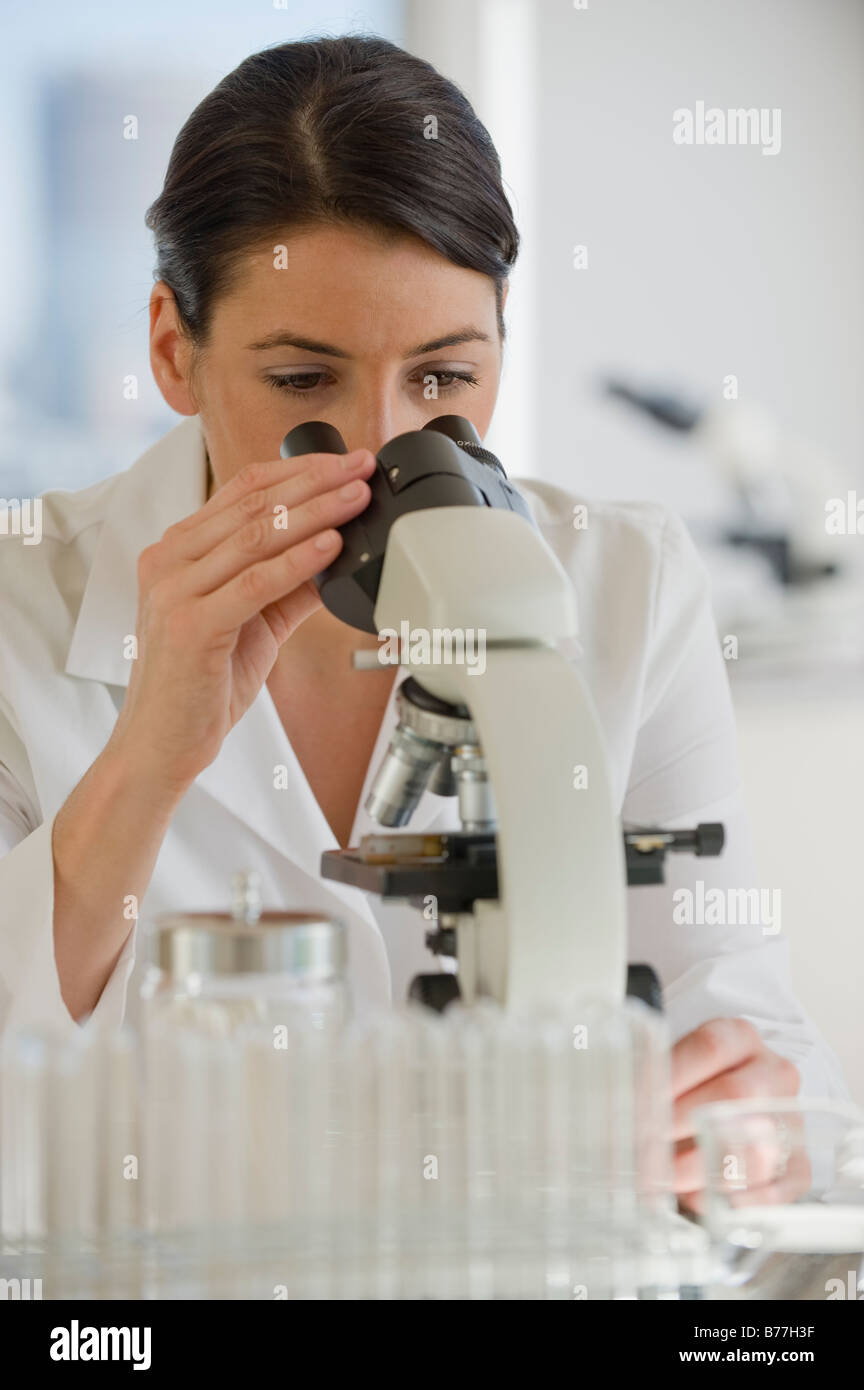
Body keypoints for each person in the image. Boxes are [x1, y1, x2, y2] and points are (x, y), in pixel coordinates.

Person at [0, 35, 847, 1208]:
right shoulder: (19, 602)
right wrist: (151, 752)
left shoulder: (628, 582)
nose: (375, 448)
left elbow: (741, 1023)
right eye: (303, 383)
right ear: (172, 349)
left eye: (444, 380)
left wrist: (744, 1134)